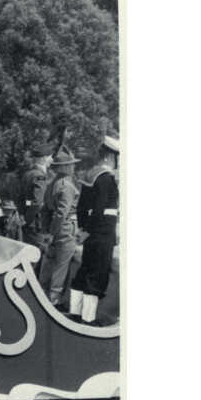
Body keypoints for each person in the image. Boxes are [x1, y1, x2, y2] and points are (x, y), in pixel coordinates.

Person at [69, 135, 121, 324]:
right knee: (97, 276)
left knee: (84, 271)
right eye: (118, 157)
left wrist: (84, 230)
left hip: (90, 234)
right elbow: (100, 209)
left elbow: (82, 207)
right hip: (103, 234)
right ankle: (88, 320)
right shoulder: (107, 179)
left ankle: (75, 314)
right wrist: (91, 230)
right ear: (110, 156)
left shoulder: (91, 175)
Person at [38, 145, 82, 308]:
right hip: (65, 230)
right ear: (64, 167)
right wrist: (53, 232)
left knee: (48, 266)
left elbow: (45, 210)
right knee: (61, 268)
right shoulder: (67, 185)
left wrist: (46, 232)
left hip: (54, 230)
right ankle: (54, 304)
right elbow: (61, 213)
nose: (74, 167)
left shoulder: (52, 183)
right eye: (71, 164)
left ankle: (40, 298)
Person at [18, 143, 54, 253]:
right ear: (44, 158)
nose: (52, 159)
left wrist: (23, 216)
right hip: (37, 223)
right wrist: (28, 219)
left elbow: (19, 198)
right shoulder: (40, 176)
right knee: (37, 256)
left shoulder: (27, 174)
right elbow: (37, 202)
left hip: (29, 222)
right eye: (50, 156)